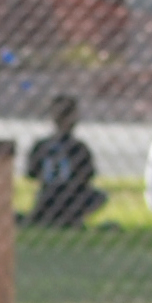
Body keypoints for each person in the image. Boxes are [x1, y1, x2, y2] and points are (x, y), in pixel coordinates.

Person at [21, 93, 105, 226]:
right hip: (72, 199)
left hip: (46, 198)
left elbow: (31, 173)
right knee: (100, 195)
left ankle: (47, 217)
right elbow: (88, 176)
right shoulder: (79, 147)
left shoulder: (41, 145)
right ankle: (70, 218)